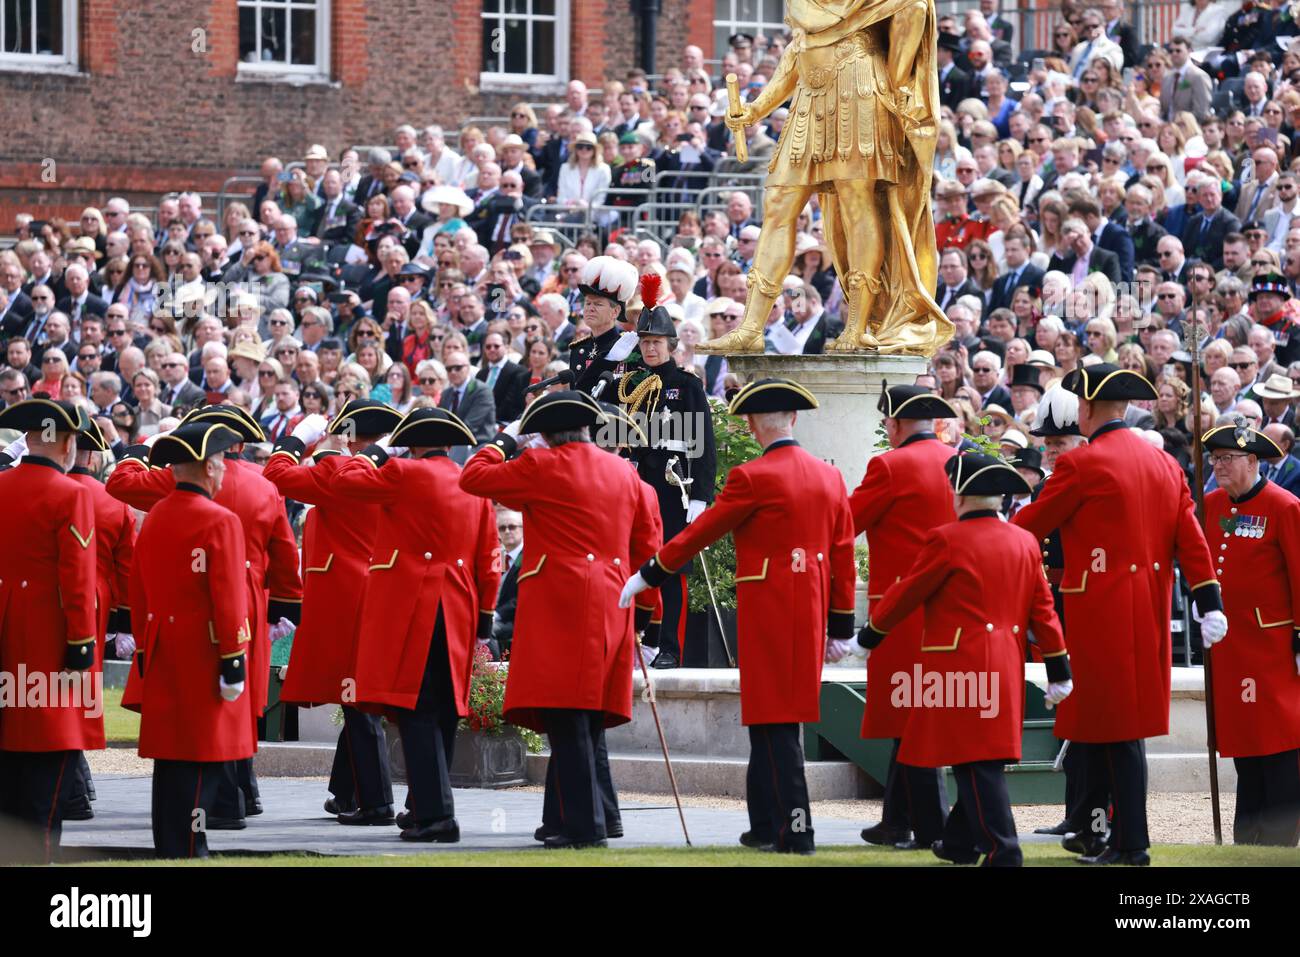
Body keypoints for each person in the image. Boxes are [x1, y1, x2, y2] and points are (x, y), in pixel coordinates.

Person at [621, 378, 855, 854]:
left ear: (751, 425)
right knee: (771, 720)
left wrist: (652, 571)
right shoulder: (829, 477)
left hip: (769, 612)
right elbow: (844, 552)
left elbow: (701, 531)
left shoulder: (753, 477)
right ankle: (766, 822)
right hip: (808, 612)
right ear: (792, 419)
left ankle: (797, 828)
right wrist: (843, 623)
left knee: (778, 723)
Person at [1013, 363, 1226, 865]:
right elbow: (1191, 540)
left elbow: (1030, 524)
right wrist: (1208, 598)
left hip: (1097, 613)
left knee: (1114, 733)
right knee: (1098, 727)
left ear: (1086, 409)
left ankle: (1132, 843)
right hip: (1147, 610)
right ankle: (1091, 830)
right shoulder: (1164, 463)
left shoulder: (1081, 465)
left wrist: (977, 533)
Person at [847, 452, 1073, 866]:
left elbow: (907, 592)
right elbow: (1043, 612)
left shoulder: (947, 539)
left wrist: (869, 635)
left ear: (961, 494)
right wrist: (1059, 668)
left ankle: (1002, 849)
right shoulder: (1023, 541)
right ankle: (957, 843)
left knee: (975, 764)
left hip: (960, 664)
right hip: (1006, 661)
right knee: (978, 756)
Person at [460, 391, 662, 848]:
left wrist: (507, 439)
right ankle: (572, 818)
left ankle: (584, 829)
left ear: (546, 434)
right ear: (588, 428)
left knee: (567, 715)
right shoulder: (625, 473)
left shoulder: (541, 464)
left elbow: (472, 477)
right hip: (614, 599)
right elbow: (648, 551)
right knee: (583, 715)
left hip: (559, 600)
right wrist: (646, 615)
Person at [108, 405, 302, 826]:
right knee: (236, 701)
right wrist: (287, 601)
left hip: (186, 604)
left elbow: (120, 483)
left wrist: (138, 448)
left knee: (197, 707)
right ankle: (240, 795)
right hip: (245, 596)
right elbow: (284, 550)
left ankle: (218, 806)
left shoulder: (171, 485)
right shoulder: (264, 483)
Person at [326, 408, 500, 841]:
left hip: (415, 607)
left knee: (416, 709)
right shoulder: (469, 482)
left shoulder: (402, 471)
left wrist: (375, 452)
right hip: (460, 606)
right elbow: (490, 559)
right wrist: (484, 619)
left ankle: (438, 816)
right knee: (441, 709)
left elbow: (343, 482)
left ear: (412, 443)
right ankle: (422, 805)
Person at [262, 400, 405, 823]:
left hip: (346, 597)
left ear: (351, 435)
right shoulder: (391, 469)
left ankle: (376, 802)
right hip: (376, 592)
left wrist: (300, 439)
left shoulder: (339, 471)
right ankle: (346, 793)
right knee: (356, 699)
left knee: (357, 703)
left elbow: (275, 474)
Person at [128, 422, 252, 858]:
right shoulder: (221, 520)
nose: (221, 473)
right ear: (206, 468)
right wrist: (234, 658)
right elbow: (228, 595)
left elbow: (138, 586)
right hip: (206, 651)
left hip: (163, 646)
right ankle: (189, 845)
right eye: (218, 465)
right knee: (202, 756)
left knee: (173, 757)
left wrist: (145, 645)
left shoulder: (157, 514)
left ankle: (173, 841)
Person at [848, 384, 957, 850]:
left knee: (912, 719)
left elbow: (845, 523)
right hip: (952, 609)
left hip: (901, 612)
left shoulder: (888, 465)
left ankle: (933, 828)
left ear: (893, 425)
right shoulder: (961, 460)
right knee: (917, 713)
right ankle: (895, 819)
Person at [0, 398, 99, 864]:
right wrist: (81, 644)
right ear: (65, 443)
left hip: (7, 629)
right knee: (50, 750)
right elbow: (77, 578)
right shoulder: (72, 493)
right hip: (49, 636)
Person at [1201, 423, 1300, 846]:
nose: (1219, 466)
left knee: (1277, 742)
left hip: (1270, 645)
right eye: (1215, 459)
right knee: (1243, 743)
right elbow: (1199, 559)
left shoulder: (1284, 506)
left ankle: (1278, 836)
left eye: (1228, 459)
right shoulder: (1210, 504)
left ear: (1253, 462)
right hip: (1229, 646)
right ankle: (1248, 832)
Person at [619, 275, 716, 668]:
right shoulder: (630, 383)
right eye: (644, 342)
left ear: (671, 345)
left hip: (675, 489)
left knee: (671, 568)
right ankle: (642, 640)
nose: (650, 348)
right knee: (636, 562)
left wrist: (701, 496)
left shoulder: (686, 386)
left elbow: (703, 444)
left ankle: (671, 649)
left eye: (656, 342)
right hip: (638, 487)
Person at [61, 419, 136, 820]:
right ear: (92, 454)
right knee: (75, 692)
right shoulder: (113, 502)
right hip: (96, 602)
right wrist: (124, 623)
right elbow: (126, 570)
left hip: (45, 599)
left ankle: (74, 784)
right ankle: (77, 783)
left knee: (45, 694)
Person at [568, 255, 641, 395]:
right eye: (588, 303)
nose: (590, 308)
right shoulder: (579, 349)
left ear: (615, 311)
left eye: (598, 304)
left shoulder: (629, 346)